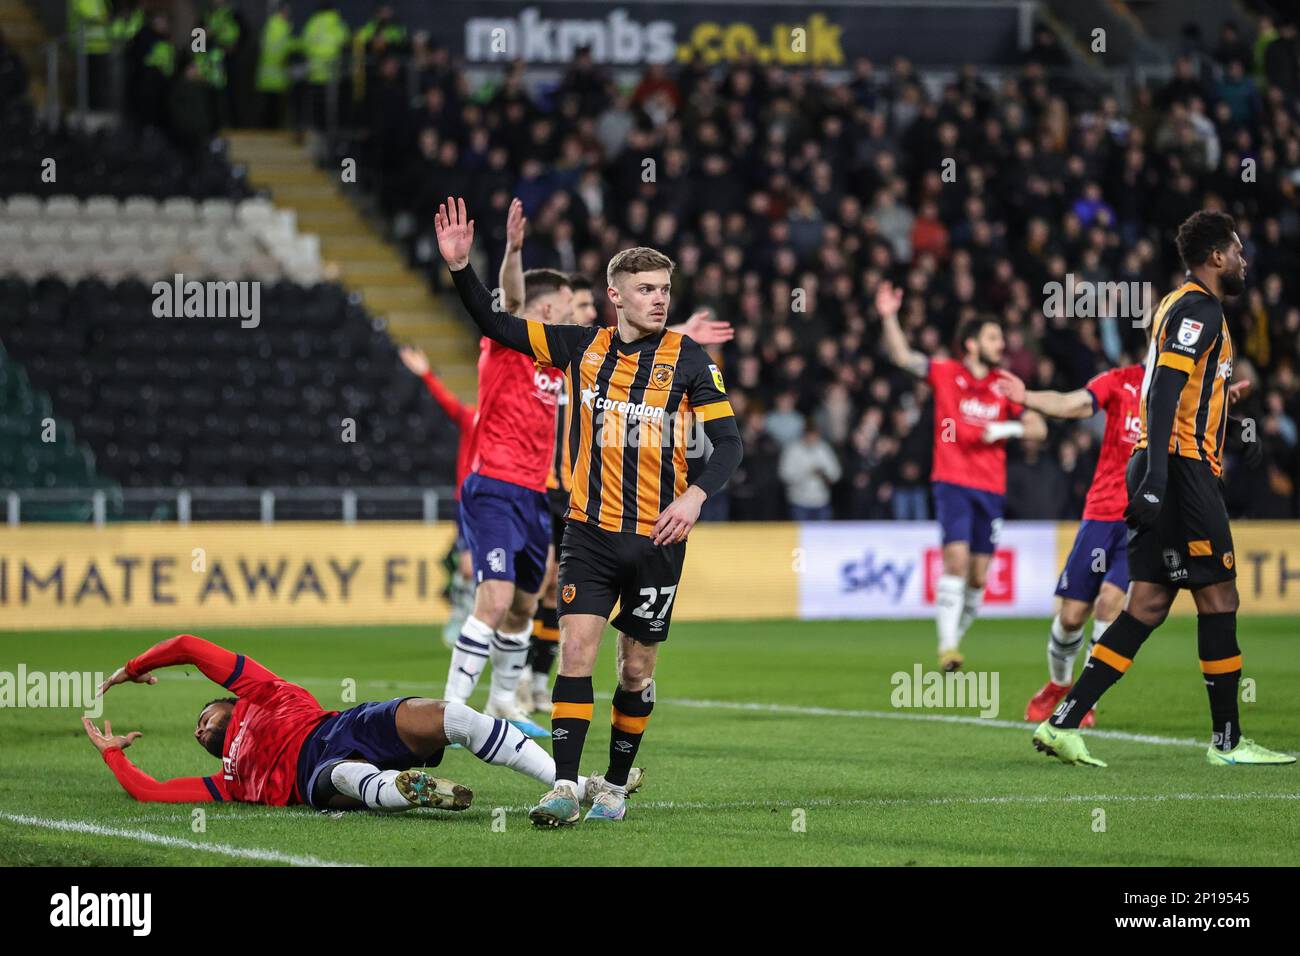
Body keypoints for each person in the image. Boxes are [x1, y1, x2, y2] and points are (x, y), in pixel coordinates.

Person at [433, 196, 742, 824]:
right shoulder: (582, 347)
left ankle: (616, 784)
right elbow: (499, 328)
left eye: (664, 289)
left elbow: (730, 441)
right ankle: (566, 786)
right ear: (615, 295)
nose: (659, 299)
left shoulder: (688, 361)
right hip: (590, 533)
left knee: (635, 668)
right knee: (577, 654)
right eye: (647, 289)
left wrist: (695, 494)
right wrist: (462, 268)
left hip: (659, 538)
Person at [1032, 210, 1294, 768]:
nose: (1245, 260)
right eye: (1238, 250)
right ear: (1216, 257)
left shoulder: (1182, 306)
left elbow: (1178, 386)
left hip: (1168, 464)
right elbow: (1164, 392)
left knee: (1146, 604)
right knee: (1221, 597)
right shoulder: (1201, 306)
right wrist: (1156, 477)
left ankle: (1062, 721)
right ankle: (1226, 743)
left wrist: (1225, 404)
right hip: (1178, 470)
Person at [86, 633, 638, 810]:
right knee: (344, 776)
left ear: (230, 702)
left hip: (345, 725)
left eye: (205, 714)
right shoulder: (228, 782)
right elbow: (152, 790)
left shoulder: (264, 692)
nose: (201, 728)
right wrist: (113, 753)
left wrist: (134, 668)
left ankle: (576, 785)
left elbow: (186, 645)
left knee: (457, 718)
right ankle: (412, 791)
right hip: (315, 776)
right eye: (198, 734)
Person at [877, 281, 1047, 671]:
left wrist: (1008, 430)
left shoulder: (1005, 386)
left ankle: (955, 633)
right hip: (952, 482)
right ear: (971, 344)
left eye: (1000, 338)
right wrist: (888, 315)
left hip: (991, 488)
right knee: (954, 560)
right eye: (992, 337)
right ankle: (948, 648)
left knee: (977, 576)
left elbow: (1039, 428)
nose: (1000, 344)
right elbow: (903, 356)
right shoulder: (947, 372)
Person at [398, 346, 477, 648]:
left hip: (503, 500)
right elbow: (449, 404)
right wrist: (426, 374)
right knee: (469, 567)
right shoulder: (473, 419)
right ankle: (460, 613)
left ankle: (486, 623)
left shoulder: (515, 428)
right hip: (470, 501)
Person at [778, 420, 841, 520]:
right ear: (804, 434)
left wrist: (823, 474)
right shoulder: (792, 449)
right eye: (809, 434)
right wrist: (807, 473)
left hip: (821, 502)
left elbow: (836, 474)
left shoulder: (824, 449)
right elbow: (784, 474)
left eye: (814, 434)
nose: (812, 438)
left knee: (822, 534)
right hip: (799, 502)